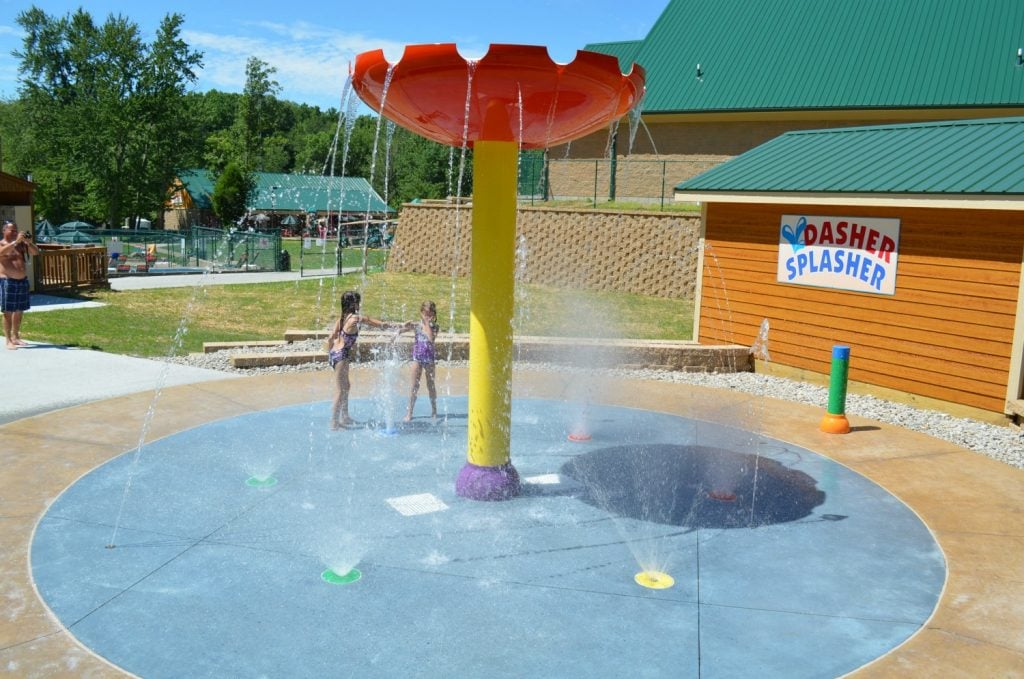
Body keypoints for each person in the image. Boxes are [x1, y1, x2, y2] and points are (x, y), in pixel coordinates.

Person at [326, 290, 401, 429]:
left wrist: (330, 353)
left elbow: (331, 337)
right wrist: (399, 326)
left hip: (336, 354)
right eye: (358, 302)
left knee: (346, 386)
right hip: (341, 356)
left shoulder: (342, 318)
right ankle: (334, 422)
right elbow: (381, 325)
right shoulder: (355, 319)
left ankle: (344, 416)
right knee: (340, 390)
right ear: (353, 304)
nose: (359, 304)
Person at [0, 221, 41, 350]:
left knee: (19, 310)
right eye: (12, 230)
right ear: (4, 231)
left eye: (16, 230)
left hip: (22, 281)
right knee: (8, 311)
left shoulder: (21, 245)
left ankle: (15, 337)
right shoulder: (2, 244)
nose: (15, 232)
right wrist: (15, 242)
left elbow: (36, 252)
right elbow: (1, 252)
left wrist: (29, 242)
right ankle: (8, 340)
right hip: (7, 281)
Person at [401, 300, 439, 421]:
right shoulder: (417, 325)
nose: (428, 315)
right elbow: (401, 330)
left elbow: (430, 338)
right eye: (425, 313)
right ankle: (409, 412)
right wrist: (403, 327)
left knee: (430, 385)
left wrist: (427, 323)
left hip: (429, 359)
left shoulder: (434, 327)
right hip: (417, 359)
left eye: (430, 313)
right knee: (413, 386)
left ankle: (434, 410)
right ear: (421, 312)